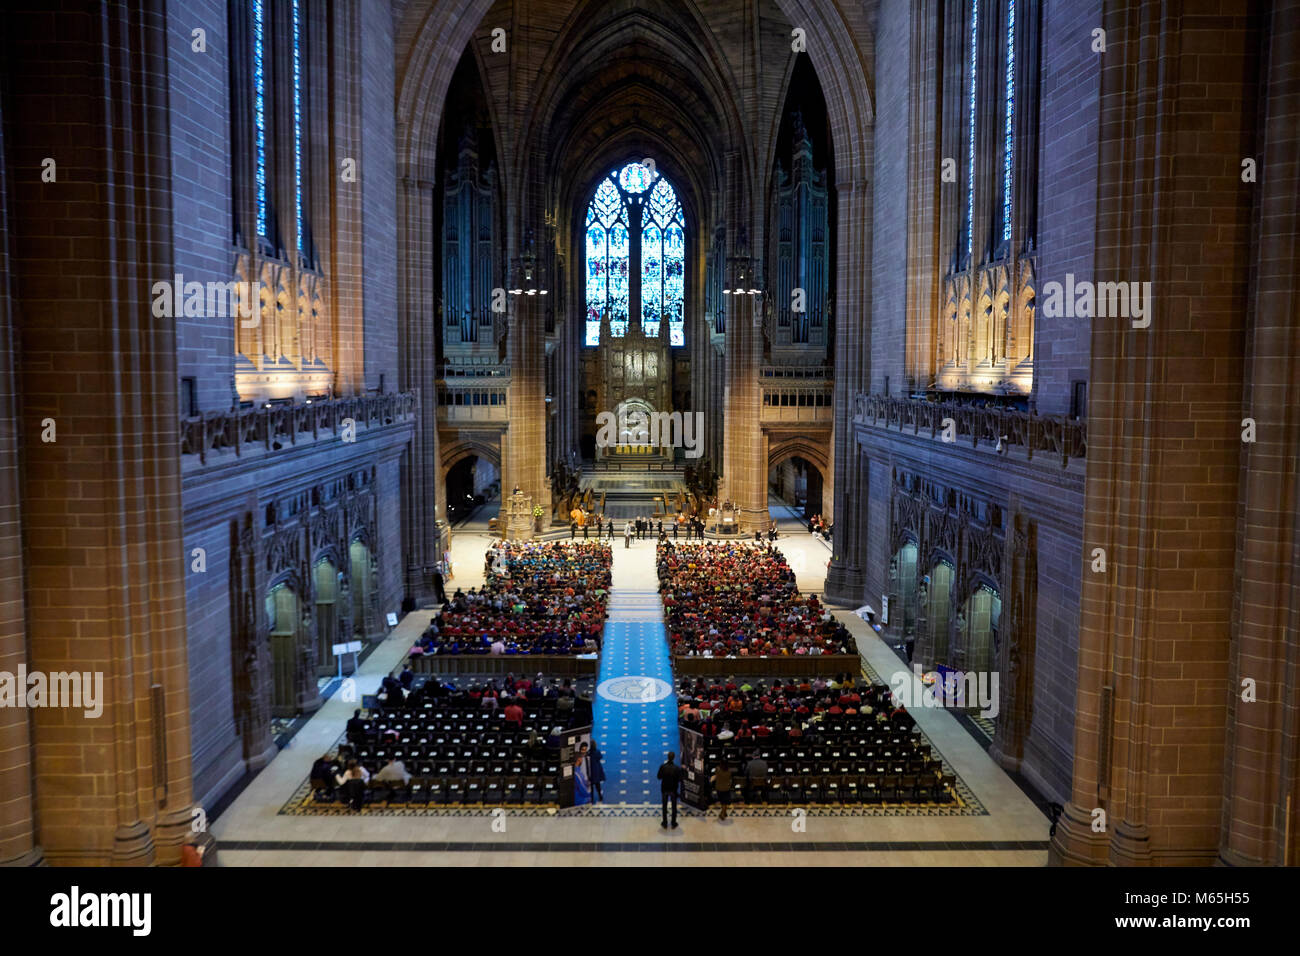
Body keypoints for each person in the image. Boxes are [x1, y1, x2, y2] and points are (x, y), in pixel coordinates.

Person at [657, 751, 682, 829]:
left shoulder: (663, 766)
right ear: (673, 758)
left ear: (667, 757)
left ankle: (665, 823)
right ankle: (673, 823)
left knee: (664, 807)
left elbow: (659, 777)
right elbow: (680, 779)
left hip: (664, 789)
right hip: (673, 790)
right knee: (674, 807)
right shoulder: (677, 768)